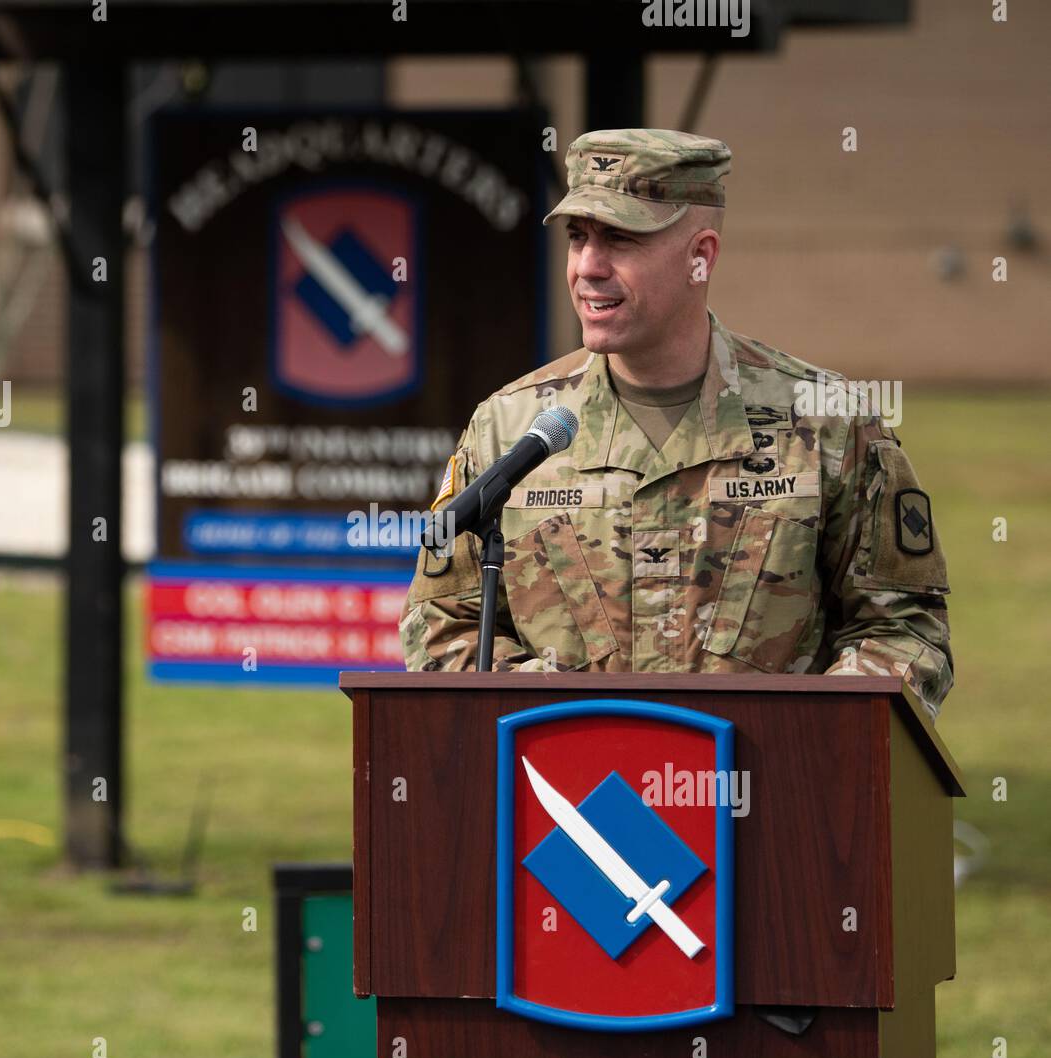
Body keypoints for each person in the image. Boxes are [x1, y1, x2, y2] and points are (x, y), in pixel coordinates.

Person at [398, 128, 953, 719]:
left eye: (621, 239)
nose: (589, 267)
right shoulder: (509, 429)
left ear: (701, 255)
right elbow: (442, 624)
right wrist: (557, 712)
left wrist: (813, 734)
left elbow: (904, 627)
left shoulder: (829, 423)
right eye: (578, 237)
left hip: (762, 794)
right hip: (571, 799)